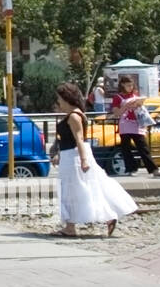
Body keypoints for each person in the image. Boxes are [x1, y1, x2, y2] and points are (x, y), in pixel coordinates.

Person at [50, 82, 138, 238]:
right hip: (71, 155)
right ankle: (99, 218)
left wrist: (83, 160)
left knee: (74, 191)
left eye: (59, 98)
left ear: (66, 98)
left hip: (74, 157)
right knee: (85, 189)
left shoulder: (74, 116)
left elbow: (79, 139)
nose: (58, 102)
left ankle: (72, 226)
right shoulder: (75, 114)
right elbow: (70, 140)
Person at [109, 75, 160, 178]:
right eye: (128, 85)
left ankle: (154, 169)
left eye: (131, 85)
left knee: (143, 147)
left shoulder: (135, 95)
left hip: (137, 124)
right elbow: (116, 113)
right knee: (126, 148)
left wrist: (139, 104)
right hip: (125, 124)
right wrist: (126, 106)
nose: (130, 87)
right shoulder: (118, 97)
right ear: (122, 85)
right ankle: (131, 168)